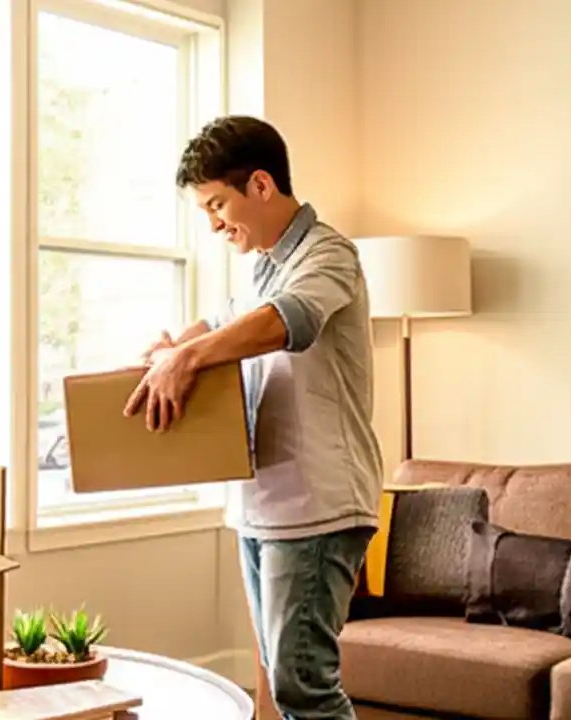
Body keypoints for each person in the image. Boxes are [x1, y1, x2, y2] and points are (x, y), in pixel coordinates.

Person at [123, 115, 384, 719]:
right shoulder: (263, 267)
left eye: (218, 204)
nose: (214, 224)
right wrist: (172, 349)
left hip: (318, 504)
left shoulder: (329, 254)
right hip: (263, 504)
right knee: (277, 679)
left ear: (261, 186)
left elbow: (285, 322)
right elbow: (225, 325)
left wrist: (187, 357)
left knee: (302, 683)